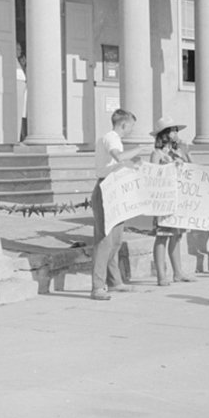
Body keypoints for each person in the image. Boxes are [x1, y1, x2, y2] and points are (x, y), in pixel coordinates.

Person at [90, 109, 153, 301]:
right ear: (124, 124)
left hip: (116, 190)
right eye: (131, 126)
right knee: (104, 240)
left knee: (116, 240)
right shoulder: (111, 137)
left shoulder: (114, 139)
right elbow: (118, 156)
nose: (131, 130)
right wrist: (138, 149)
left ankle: (114, 281)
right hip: (106, 189)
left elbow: (117, 163)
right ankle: (97, 286)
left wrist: (134, 163)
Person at [150, 116, 195, 286]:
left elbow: (194, 169)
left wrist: (186, 153)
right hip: (164, 199)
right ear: (164, 134)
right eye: (173, 130)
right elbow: (152, 175)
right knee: (162, 236)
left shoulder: (179, 152)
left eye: (176, 130)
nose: (176, 133)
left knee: (176, 236)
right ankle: (161, 274)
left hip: (179, 198)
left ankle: (178, 272)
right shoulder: (157, 154)